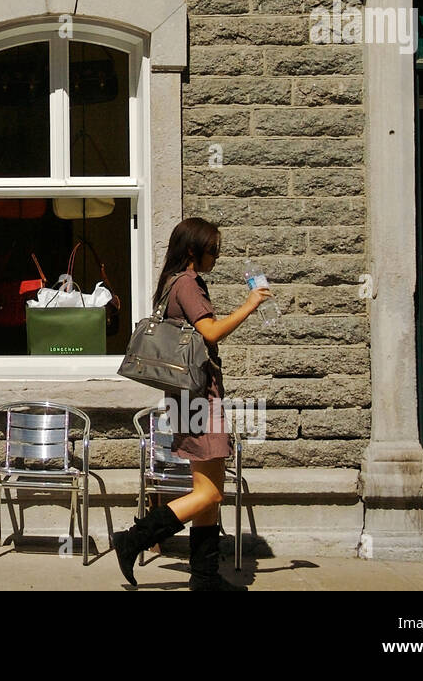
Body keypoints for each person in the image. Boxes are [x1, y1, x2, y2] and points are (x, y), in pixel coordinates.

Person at [111, 217, 270, 591]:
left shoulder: (175, 283)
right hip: (199, 398)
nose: (217, 255)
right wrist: (250, 305)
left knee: (209, 494)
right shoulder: (187, 283)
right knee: (210, 493)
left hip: (191, 396)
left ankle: (205, 579)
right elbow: (211, 331)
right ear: (191, 251)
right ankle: (132, 539)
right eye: (212, 249)